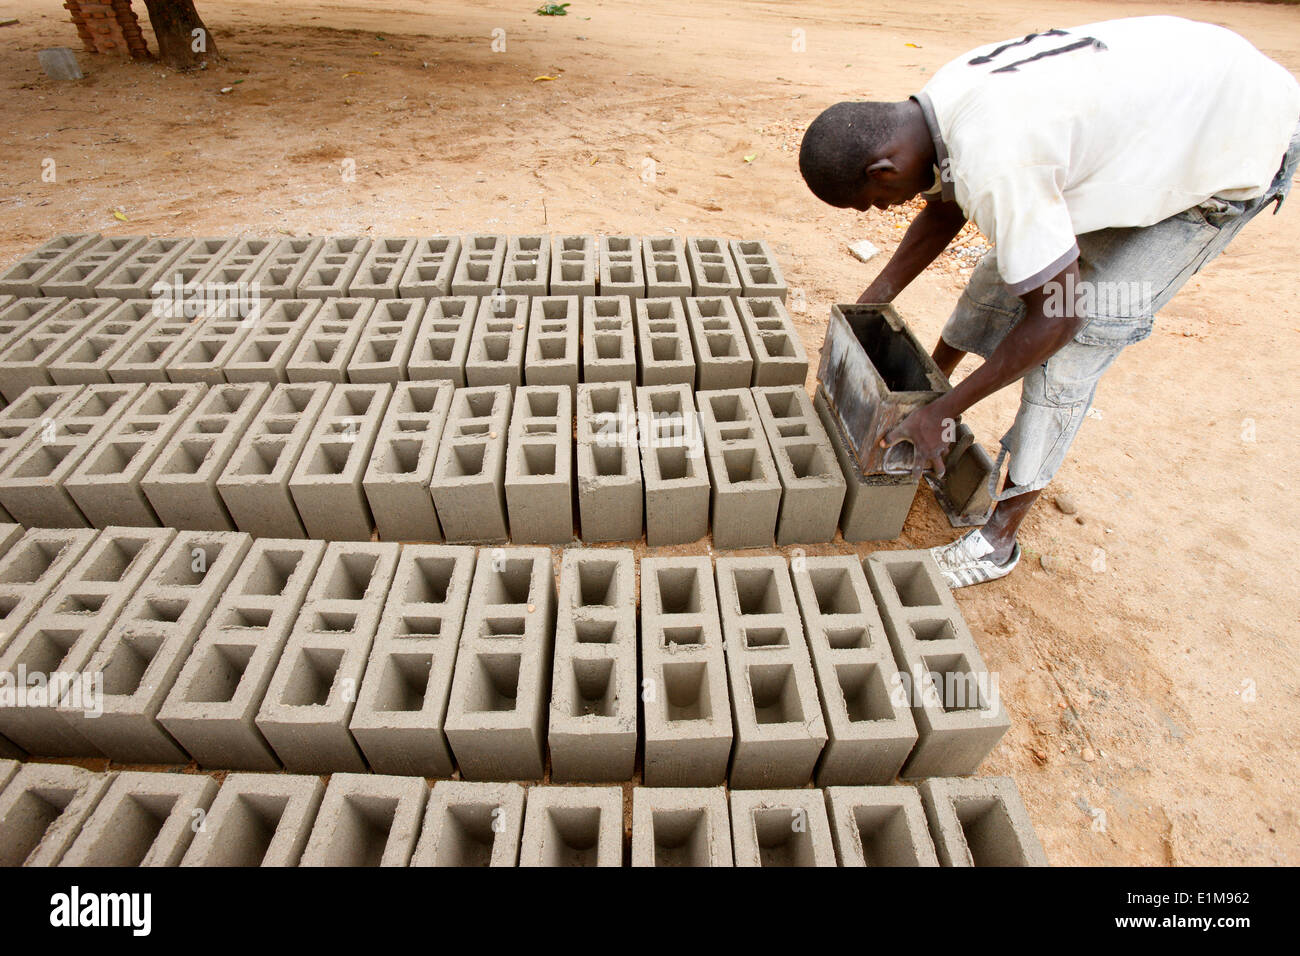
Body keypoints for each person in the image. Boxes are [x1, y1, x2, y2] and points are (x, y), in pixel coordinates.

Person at [797, 15, 1300, 587]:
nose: (881, 213)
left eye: (873, 204)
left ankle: (998, 538)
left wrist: (944, 411)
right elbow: (945, 205)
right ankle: (924, 398)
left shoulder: (1001, 156)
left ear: (883, 169)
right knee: (1004, 274)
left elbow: (1057, 315)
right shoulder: (938, 108)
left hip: (1233, 142)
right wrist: (872, 304)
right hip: (1171, 103)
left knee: (1074, 344)